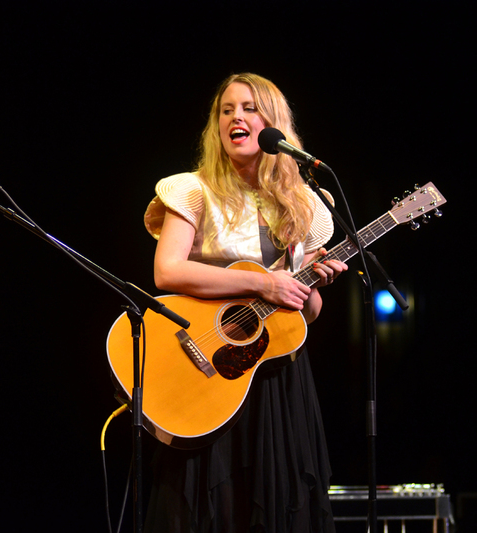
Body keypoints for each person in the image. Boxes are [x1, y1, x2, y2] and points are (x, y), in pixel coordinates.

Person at [142, 73, 346, 532]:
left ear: (274, 123)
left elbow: (306, 316)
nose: (236, 117)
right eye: (226, 110)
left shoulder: (306, 206)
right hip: (209, 366)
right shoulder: (193, 190)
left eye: (249, 108)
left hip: (278, 377)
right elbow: (167, 272)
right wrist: (262, 287)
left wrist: (309, 288)